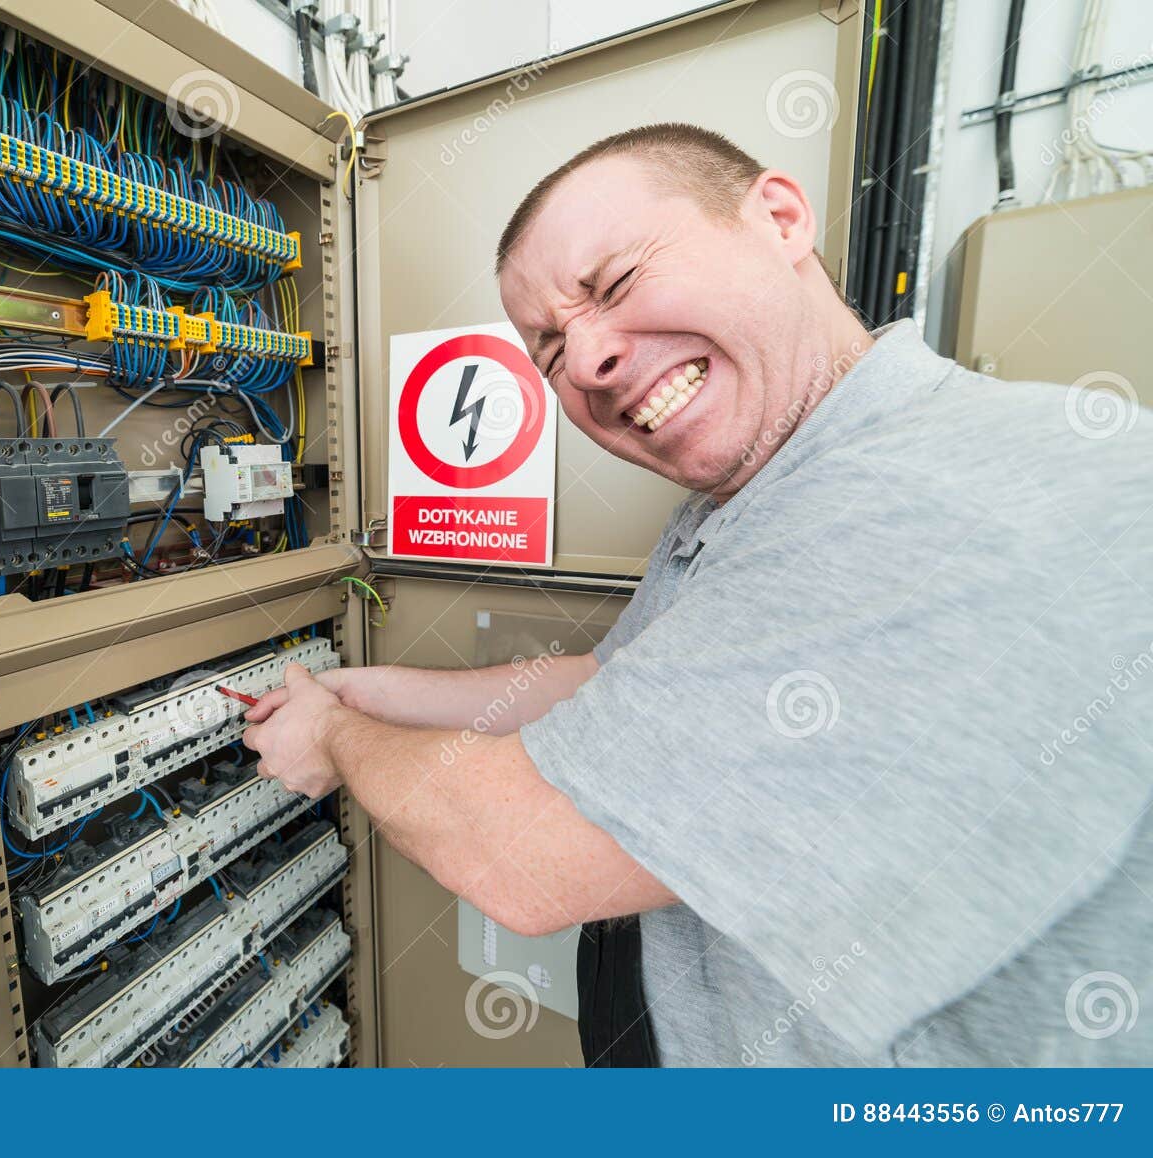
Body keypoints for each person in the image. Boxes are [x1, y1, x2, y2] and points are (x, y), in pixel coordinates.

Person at [242, 123, 1153, 1066]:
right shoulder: (756, 491)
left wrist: (335, 740)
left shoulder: (928, 499)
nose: (585, 362)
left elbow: (517, 855)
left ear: (780, 219)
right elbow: (613, 680)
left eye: (615, 283)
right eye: (549, 350)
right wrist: (367, 694)